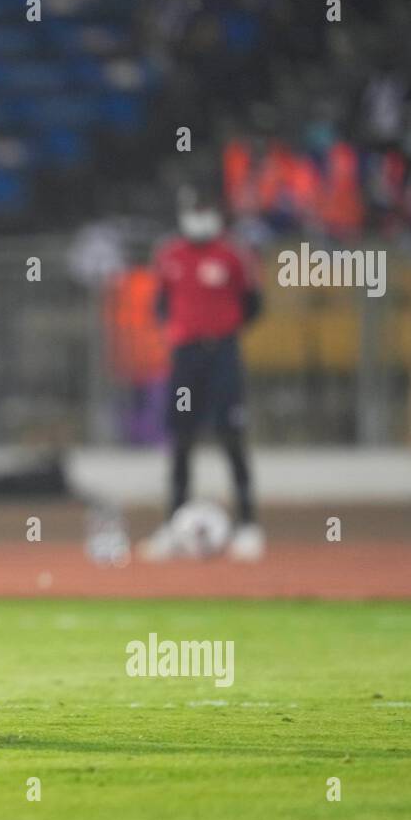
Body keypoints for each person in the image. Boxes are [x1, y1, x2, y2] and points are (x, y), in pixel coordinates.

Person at [139, 186, 263, 562]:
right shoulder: (169, 255)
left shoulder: (232, 255)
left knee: (232, 435)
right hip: (186, 356)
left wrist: (223, 328)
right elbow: (160, 304)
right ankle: (173, 525)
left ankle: (249, 525)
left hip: (222, 353)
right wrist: (180, 331)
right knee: (181, 440)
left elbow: (253, 303)